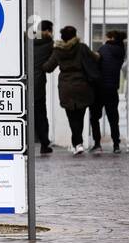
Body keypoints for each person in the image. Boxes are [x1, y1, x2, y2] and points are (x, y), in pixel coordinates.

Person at [42, 24, 99, 155]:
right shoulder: (82, 48)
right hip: (82, 86)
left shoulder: (58, 51)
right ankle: (78, 143)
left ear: (62, 37)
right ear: (75, 35)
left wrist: (40, 63)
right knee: (80, 115)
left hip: (66, 87)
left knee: (71, 117)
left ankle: (77, 144)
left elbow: (48, 67)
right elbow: (95, 58)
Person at [92, 30, 125, 154]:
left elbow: (96, 64)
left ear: (111, 38)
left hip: (100, 87)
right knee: (113, 117)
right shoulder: (121, 51)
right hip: (112, 89)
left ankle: (97, 144)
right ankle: (116, 144)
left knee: (94, 117)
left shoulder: (104, 48)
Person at [33, 20, 55, 154]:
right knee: (41, 114)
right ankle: (44, 144)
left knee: (25, 115)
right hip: (39, 83)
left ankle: (25, 144)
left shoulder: (26, 41)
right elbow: (49, 67)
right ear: (48, 31)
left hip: (24, 83)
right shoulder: (50, 44)